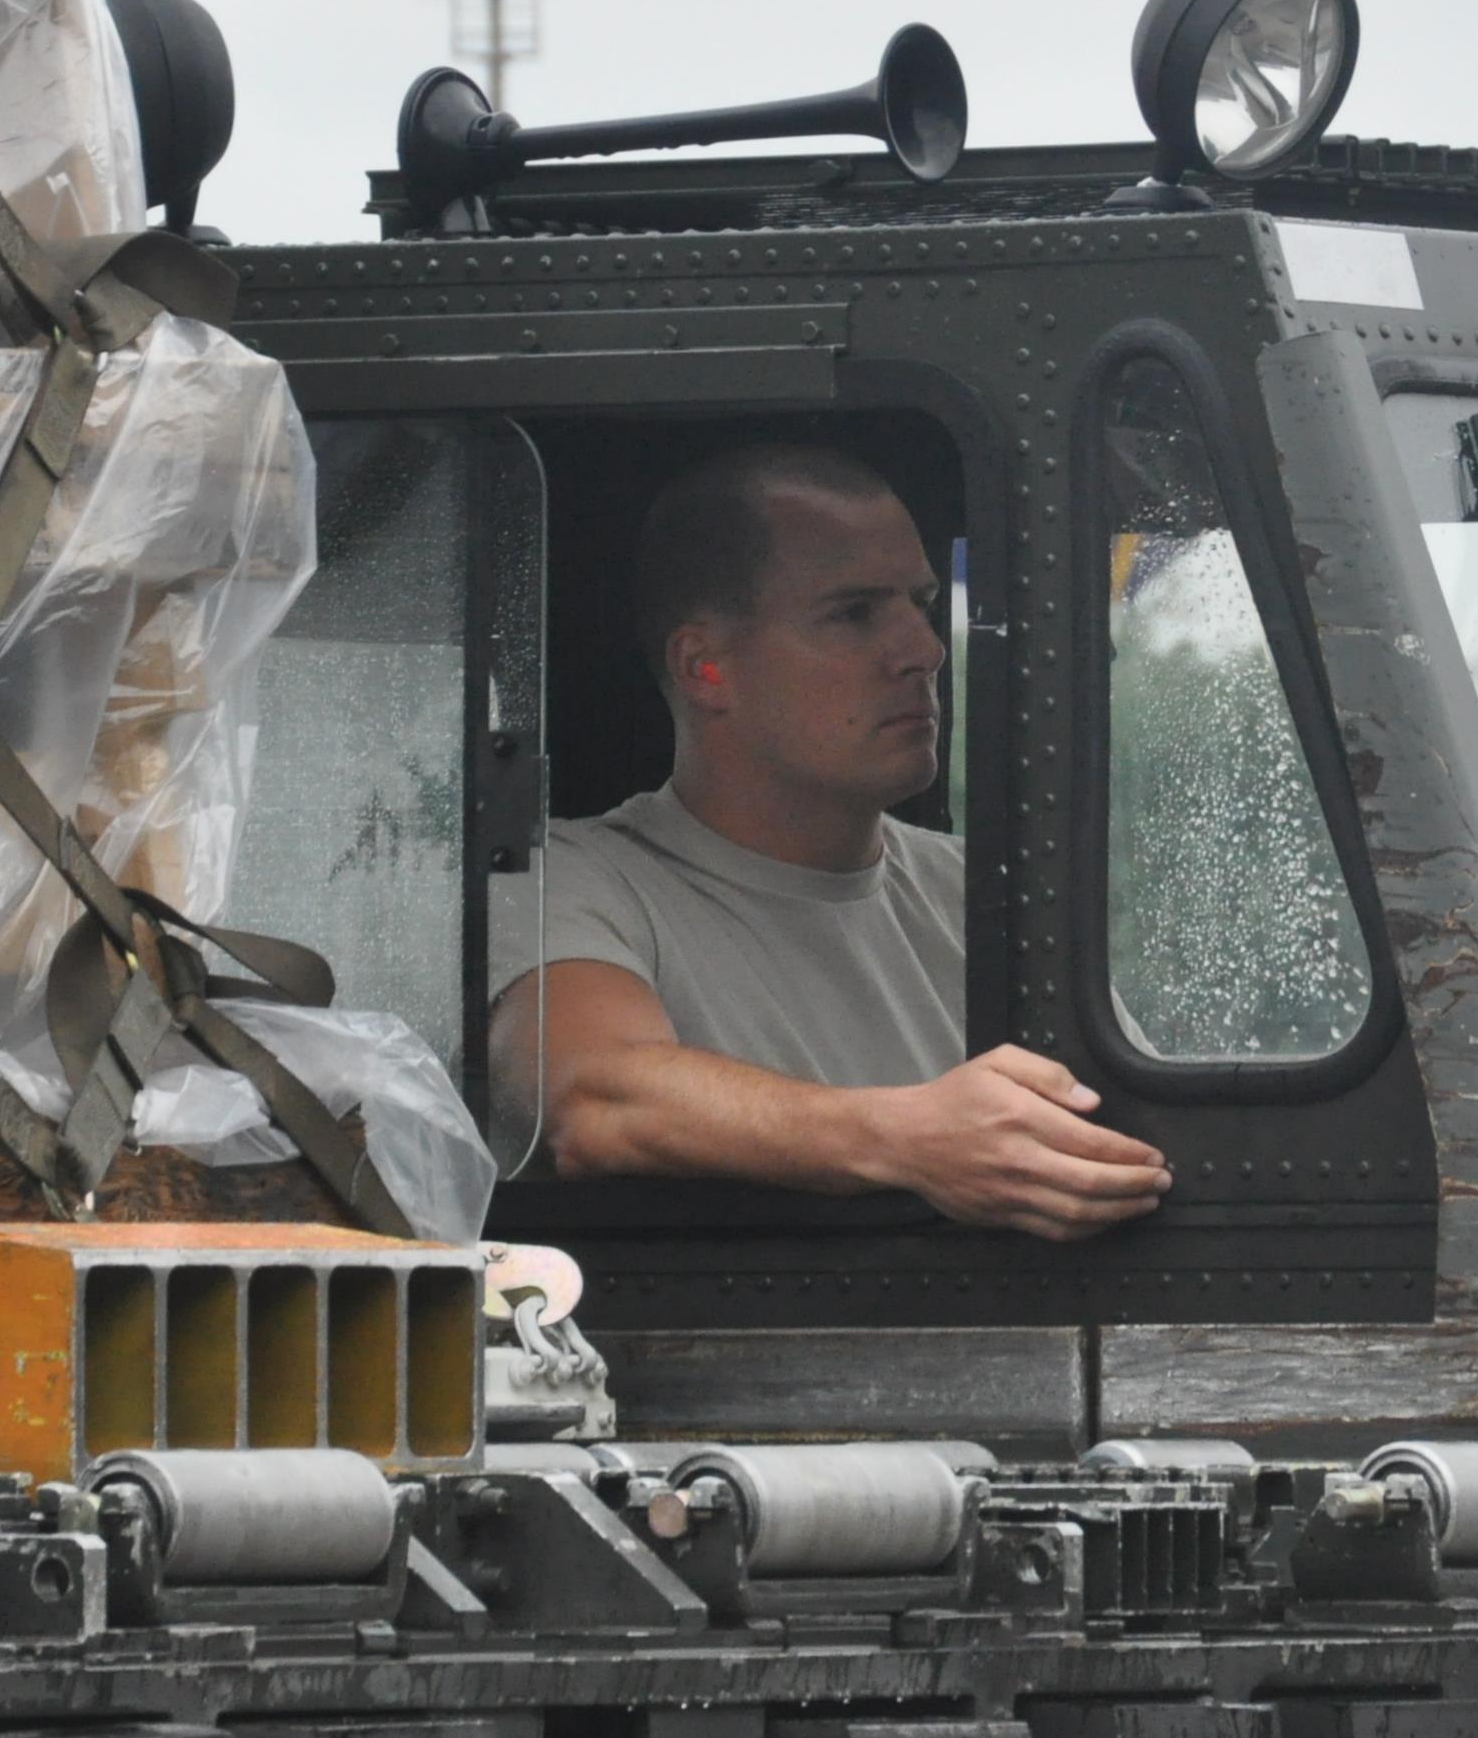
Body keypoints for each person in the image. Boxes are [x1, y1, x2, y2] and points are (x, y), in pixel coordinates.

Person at [486, 443, 1170, 1240]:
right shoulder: (567, 883)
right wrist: (912, 1140)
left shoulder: (988, 897)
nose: (924, 650)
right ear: (706, 667)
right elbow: (592, 1101)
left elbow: (1136, 1145)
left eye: (919, 602)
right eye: (853, 613)